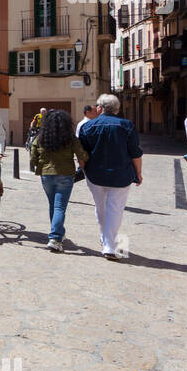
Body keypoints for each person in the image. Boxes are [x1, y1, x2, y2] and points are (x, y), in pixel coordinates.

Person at [77, 94, 143, 261]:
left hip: (95, 174)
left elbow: (82, 155)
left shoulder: (87, 127)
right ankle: (109, 246)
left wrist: (84, 170)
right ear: (117, 109)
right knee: (115, 209)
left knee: (100, 207)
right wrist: (139, 173)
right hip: (121, 174)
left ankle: (104, 237)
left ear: (99, 108)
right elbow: (135, 153)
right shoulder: (127, 125)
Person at [29, 109, 89, 253]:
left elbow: (33, 158)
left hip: (46, 175)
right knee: (59, 207)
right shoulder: (70, 139)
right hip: (65, 175)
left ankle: (58, 234)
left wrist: (42, 166)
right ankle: (55, 238)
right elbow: (83, 156)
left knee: (53, 205)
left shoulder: (40, 138)